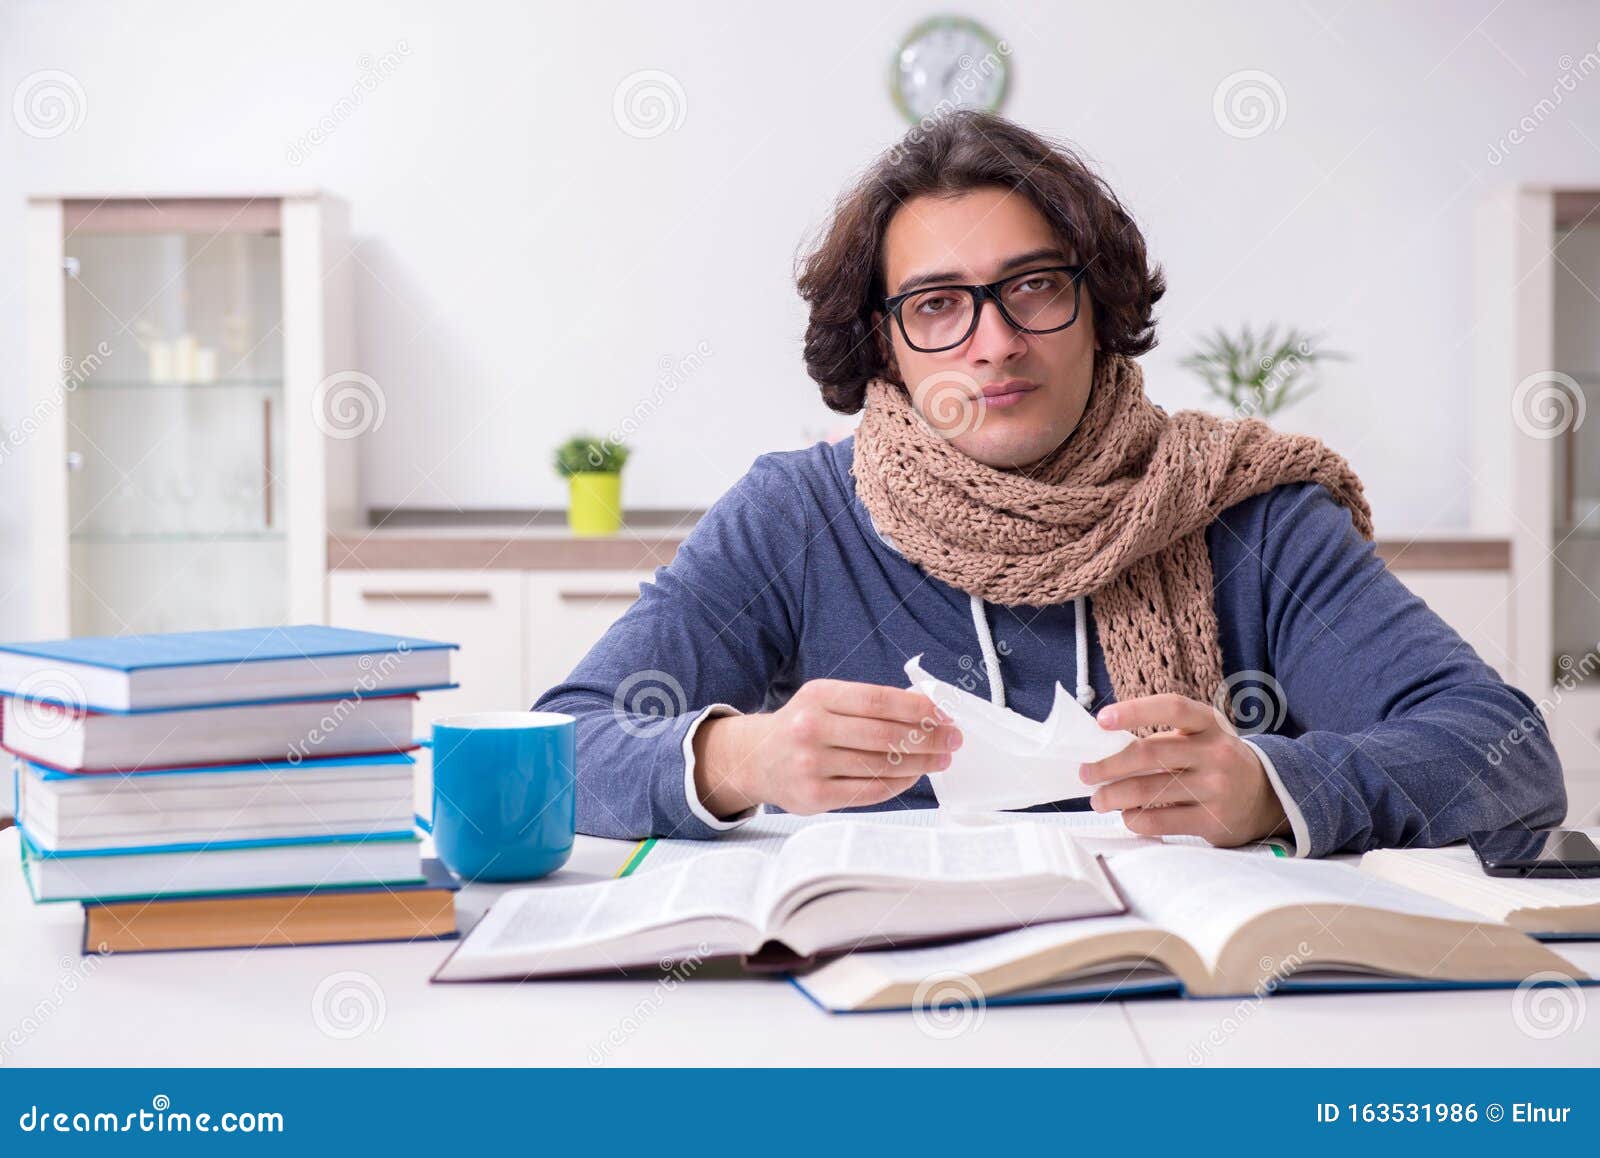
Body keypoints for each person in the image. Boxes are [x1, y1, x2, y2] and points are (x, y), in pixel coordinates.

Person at [535, 111, 1564, 856]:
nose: (994, 343)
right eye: (938, 304)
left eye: (1034, 286)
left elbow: (1506, 754)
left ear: (1099, 305)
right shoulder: (794, 516)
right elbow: (555, 748)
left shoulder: (1247, 510)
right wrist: (740, 760)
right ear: (884, 345)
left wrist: (1268, 786)